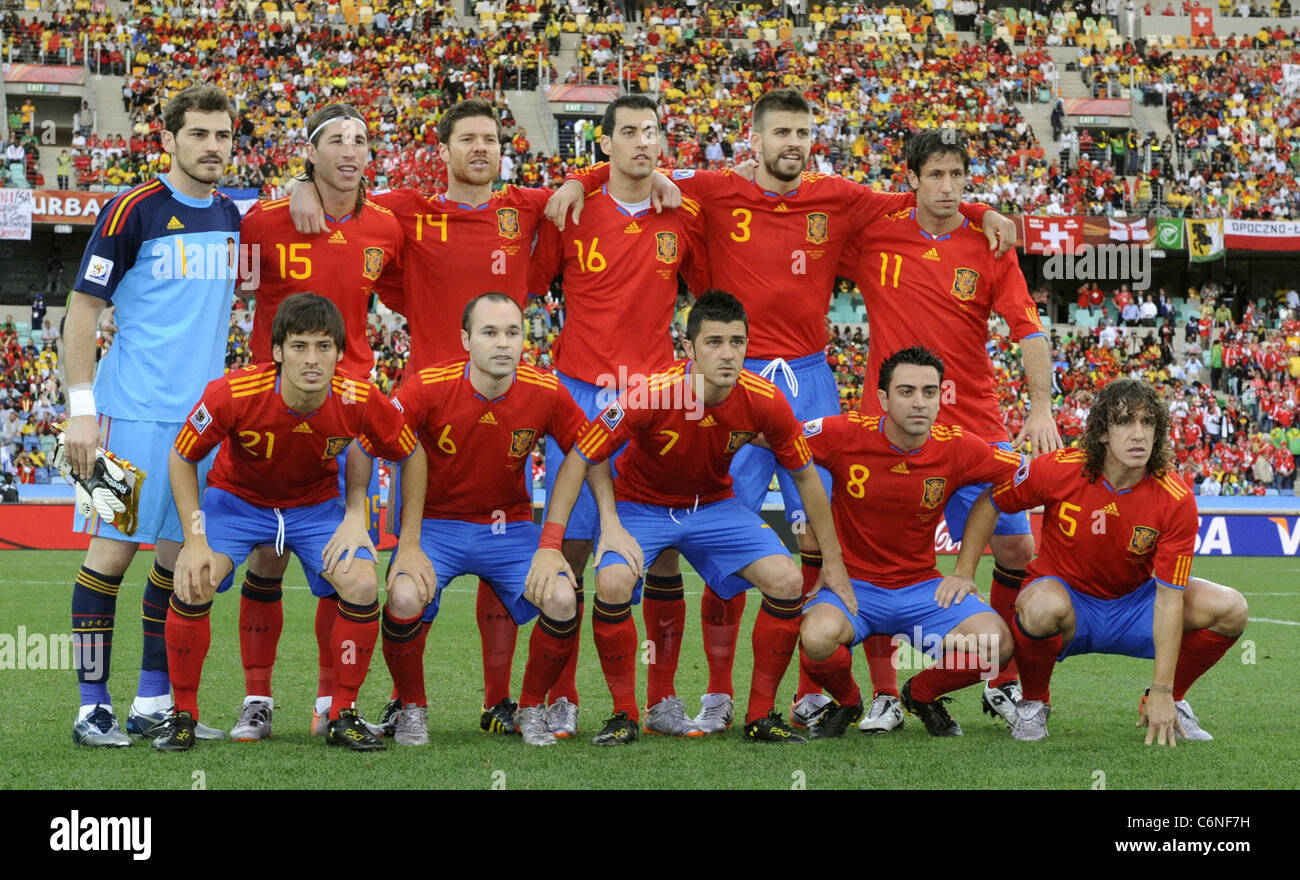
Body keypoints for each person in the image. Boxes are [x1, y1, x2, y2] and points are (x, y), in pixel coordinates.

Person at [550, 90, 1016, 733]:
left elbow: (926, 199)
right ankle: (716, 693)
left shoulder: (837, 195)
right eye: (781, 133)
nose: (793, 143)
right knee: (722, 532)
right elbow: (638, 166)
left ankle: (813, 692)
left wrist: (985, 209)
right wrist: (584, 175)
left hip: (807, 377)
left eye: (803, 132)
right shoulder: (713, 188)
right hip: (728, 382)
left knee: (816, 536)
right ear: (757, 139)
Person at [290, 98, 676, 737]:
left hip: (502, 399)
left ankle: (505, 701)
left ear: (504, 150)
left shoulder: (526, 209)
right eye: (466, 139)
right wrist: (304, 179)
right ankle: (350, 700)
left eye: (491, 140)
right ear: (441, 150)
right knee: (388, 567)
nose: (480, 149)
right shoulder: (407, 210)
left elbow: (598, 184)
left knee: (503, 547)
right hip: (425, 410)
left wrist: (617, 175)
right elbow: (344, 185)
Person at [529, 290, 852, 745]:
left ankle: (760, 715)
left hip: (714, 507)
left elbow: (807, 479)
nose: (727, 352)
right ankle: (626, 713)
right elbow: (580, 456)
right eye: (714, 341)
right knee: (613, 583)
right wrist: (573, 536)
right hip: (641, 506)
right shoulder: (651, 392)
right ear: (689, 349)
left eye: (737, 342)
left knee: (787, 580)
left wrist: (833, 561)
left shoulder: (765, 399)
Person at [836, 128, 1061, 734]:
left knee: (1016, 548)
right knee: (877, 560)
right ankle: (883, 693)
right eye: (934, 174)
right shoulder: (875, 232)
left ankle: (1002, 681)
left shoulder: (988, 245)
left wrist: (1040, 409)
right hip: (888, 429)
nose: (947, 187)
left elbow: (1028, 330)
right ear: (912, 178)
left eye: (957, 176)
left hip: (976, 425)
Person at [161, 293, 431, 751]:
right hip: (238, 501)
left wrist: (392, 534)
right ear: (278, 350)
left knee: (363, 584)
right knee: (194, 578)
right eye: (300, 345)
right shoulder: (234, 392)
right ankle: (184, 713)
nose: (312, 359)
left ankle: (341, 712)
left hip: (313, 506)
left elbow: (412, 454)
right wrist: (194, 537)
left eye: (324, 347)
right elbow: (182, 455)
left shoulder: (357, 395)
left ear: (340, 353)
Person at [63, 84, 242, 747]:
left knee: (176, 565)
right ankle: (90, 709)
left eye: (223, 135)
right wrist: (82, 411)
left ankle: (151, 702)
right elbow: (82, 313)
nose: (213, 146)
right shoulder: (132, 209)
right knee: (109, 557)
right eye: (199, 134)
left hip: (199, 426)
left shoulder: (230, 214)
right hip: (129, 414)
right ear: (168, 139)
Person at [528, 94, 710, 738]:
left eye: (651, 131)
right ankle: (564, 695)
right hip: (579, 391)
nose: (641, 141)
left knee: (658, 554)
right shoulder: (573, 208)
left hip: (656, 401)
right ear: (603, 145)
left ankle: (660, 698)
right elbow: (533, 282)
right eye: (627, 132)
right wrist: (581, 180)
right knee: (572, 553)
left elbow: (707, 292)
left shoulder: (680, 211)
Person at [233, 102, 405, 738]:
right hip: (271, 405)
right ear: (311, 154)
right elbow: (234, 285)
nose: (351, 150)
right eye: (336, 140)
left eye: (361, 139)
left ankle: (333, 701)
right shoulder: (266, 221)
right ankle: (258, 700)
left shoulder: (387, 226)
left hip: (348, 408)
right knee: (266, 561)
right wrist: (292, 190)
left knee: (348, 566)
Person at [956, 379, 1248, 744]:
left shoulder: (1175, 497)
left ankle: (1171, 701)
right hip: (1068, 601)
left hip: (1134, 605)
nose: (1138, 434)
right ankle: (1034, 704)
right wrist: (964, 572)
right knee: (1040, 605)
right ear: (1102, 433)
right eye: (1125, 422)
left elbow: (1170, 596)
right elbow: (991, 502)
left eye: (1147, 423)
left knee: (1232, 607)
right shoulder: (1059, 468)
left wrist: (1162, 688)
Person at [381, 292, 600, 746]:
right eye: (490, 332)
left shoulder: (546, 391)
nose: (503, 343)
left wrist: (556, 541)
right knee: (403, 595)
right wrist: (404, 539)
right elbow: (373, 436)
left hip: (510, 528)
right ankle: (411, 709)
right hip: (436, 527)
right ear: (466, 339)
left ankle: (531, 708)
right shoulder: (427, 385)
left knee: (562, 596)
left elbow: (589, 449)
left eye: (513, 333)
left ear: (525, 339)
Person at [798, 346, 1022, 738]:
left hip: (922, 591)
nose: (919, 402)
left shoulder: (957, 446)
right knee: (816, 637)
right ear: (883, 398)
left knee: (996, 645)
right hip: (855, 588)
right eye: (906, 392)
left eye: (929, 392)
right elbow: (778, 435)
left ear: (941, 396)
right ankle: (849, 702)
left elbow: (1013, 477)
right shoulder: (846, 434)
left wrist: (965, 570)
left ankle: (919, 693)